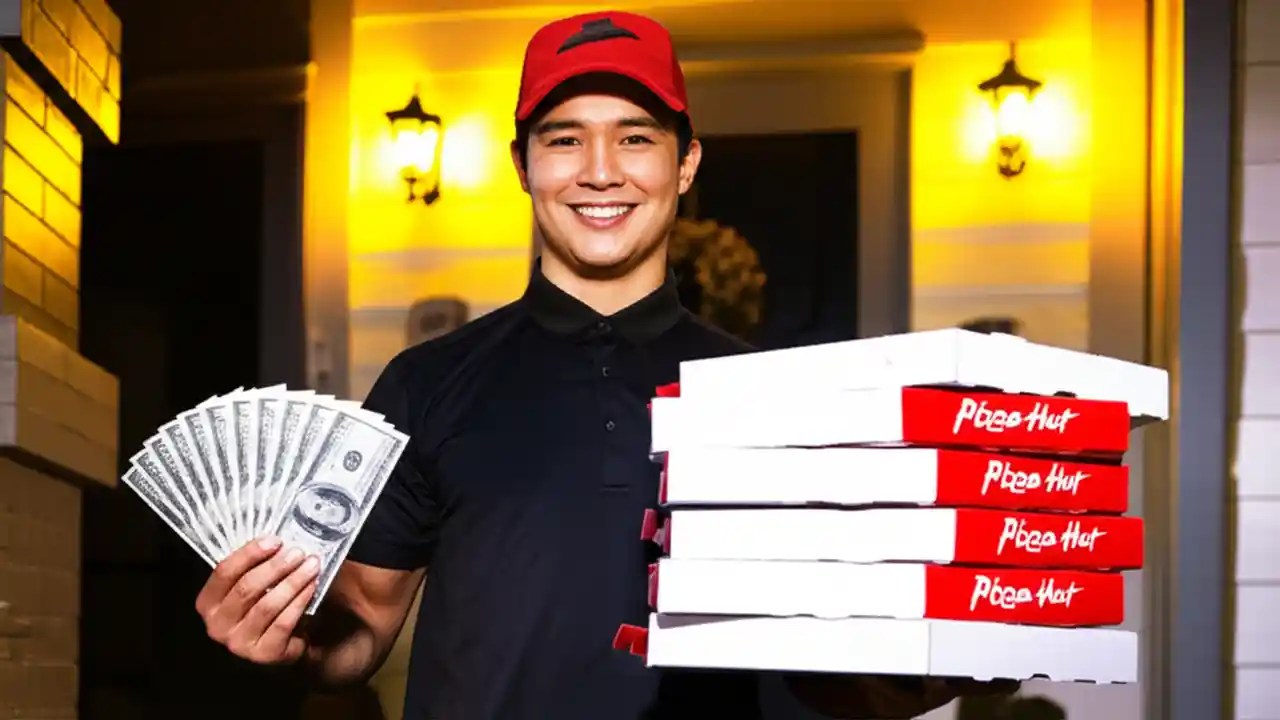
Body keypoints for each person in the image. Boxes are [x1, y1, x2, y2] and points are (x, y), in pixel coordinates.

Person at [193, 10, 1018, 719]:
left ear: (685, 163)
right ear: (523, 165)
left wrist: (956, 637)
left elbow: (836, 669)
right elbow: (361, 632)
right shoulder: (426, 383)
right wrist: (286, 642)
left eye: (634, 137)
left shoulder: (772, 399)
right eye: (564, 138)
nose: (599, 170)